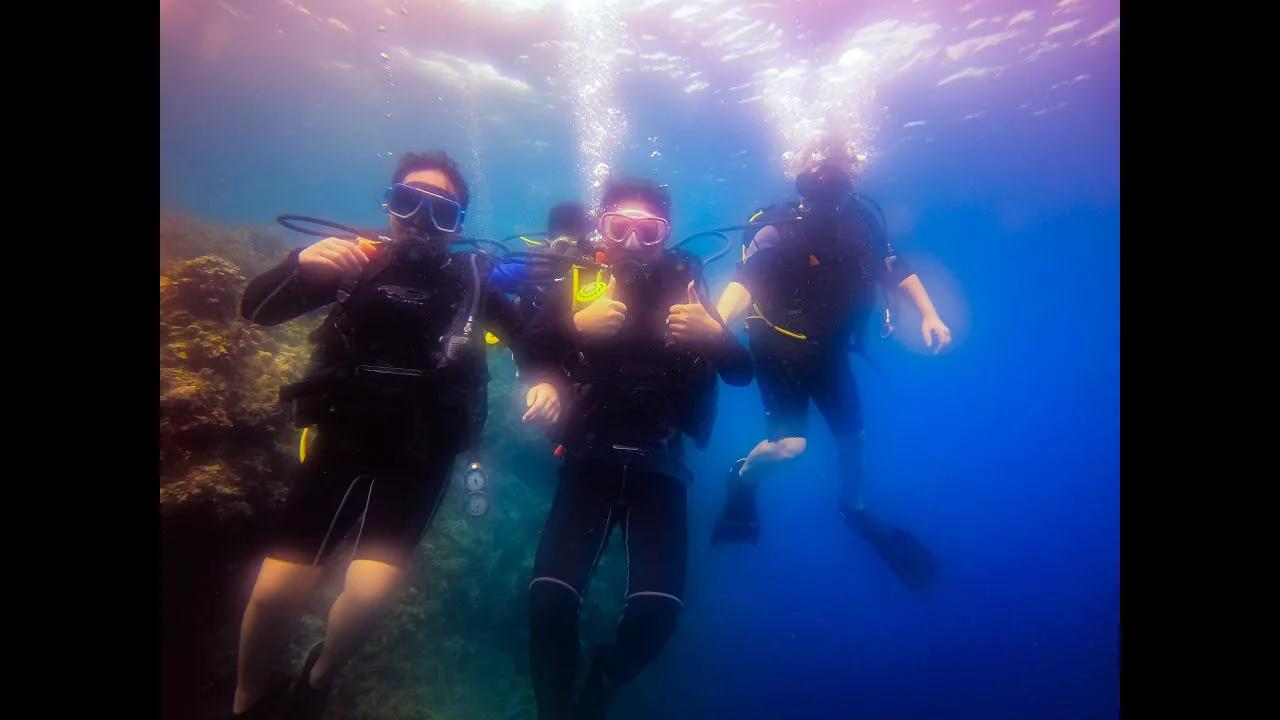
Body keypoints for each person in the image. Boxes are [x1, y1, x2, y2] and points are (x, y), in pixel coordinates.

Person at [230, 151, 563, 719]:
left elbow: (531, 342)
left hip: (420, 452)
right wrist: (300, 264)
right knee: (273, 593)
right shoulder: (354, 266)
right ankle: (247, 701)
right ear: (388, 205)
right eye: (406, 202)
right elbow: (256, 310)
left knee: (369, 596)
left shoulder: (471, 283)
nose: (418, 220)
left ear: (458, 224)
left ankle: (319, 677)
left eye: (440, 212)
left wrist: (547, 382)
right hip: (340, 436)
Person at [524, 177, 752, 719]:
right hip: (588, 458)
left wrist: (715, 336)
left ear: (665, 238)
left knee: (658, 616)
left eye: (647, 232)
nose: (631, 242)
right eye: (617, 228)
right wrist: (573, 323)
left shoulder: (688, 288)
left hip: (661, 466)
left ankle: (603, 679)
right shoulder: (579, 282)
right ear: (600, 229)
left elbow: (741, 374)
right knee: (549, 603)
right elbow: (529, 346)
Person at [711, 154, 953, 594]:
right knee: (790, 448)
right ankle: (740, 477)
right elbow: (747, 280)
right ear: (802, 182)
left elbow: (895, 268)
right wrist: (715, 324)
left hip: (830, 352)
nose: (827, 191)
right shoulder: (780, 225)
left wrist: (930, 314)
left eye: (838, 179)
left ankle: (853, 510)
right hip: (777, 349)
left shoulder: (863, 225)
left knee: (854, 441)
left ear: (852, 180)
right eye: (816, 180)